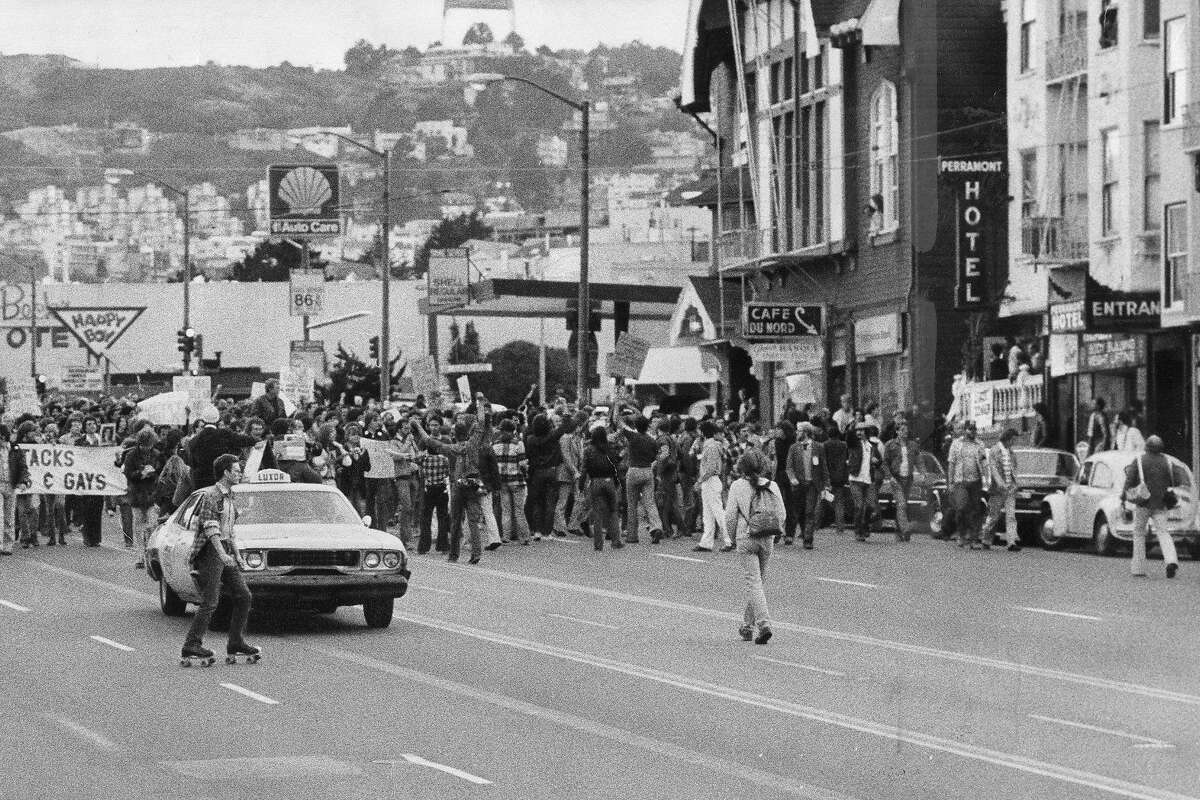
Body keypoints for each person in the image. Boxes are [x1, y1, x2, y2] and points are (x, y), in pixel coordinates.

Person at [181, 454, 258, 665]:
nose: (240, 474)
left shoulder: (231, 496)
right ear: (226, 472)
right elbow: (210, 528)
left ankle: (236, 642)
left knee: (244, 595)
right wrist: (222, 554)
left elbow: (229, 530)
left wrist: (237, 555)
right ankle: (192, 644)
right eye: (236, 470)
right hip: (211, 551)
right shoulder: (211, 495)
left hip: (224, 548)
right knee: (211, 601)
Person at [411, 410, 491, 564]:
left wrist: (417, 425)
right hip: (474, 485)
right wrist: (481, 405)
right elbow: (482, 425)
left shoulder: (454, 448)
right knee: (473, 521)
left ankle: (454, 554)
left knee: (455, 521)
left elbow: (429, 441)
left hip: (458, 486)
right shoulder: (476, 445)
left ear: (456, 434)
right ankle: (476, 553)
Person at [724, 449, 785, 645]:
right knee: (758, 583)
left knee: (754, 583)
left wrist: (732, 538)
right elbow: (781, 513)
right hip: (767, 537)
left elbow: (731, 516)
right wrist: (777, 533)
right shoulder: (772, 486)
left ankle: (764, 624)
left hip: (746, 535)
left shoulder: (737, 486)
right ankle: (747, 626)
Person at [1122, 436, 1181, 579]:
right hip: (1161, 503)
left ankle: (1139, 568)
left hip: (1143, 503)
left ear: (1147, 446)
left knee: (1139, 533)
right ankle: (1171, 561)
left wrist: (1123, 497)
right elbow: (1177, 480)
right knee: (1163, 532)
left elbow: (1129, 481)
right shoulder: (1167, 461)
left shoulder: (1140, 461)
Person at [620, 414, 665, 544]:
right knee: (650, 502)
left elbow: (620, 422)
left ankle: (632, 536)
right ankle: (656, 527)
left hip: (633, 470)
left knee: (632, 504)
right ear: (648, 426)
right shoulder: (652, 440)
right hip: (647, 471)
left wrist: (625, 410)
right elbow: (656, 457)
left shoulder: (632, 436)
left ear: (636, 426)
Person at [785, 422, 828, 549]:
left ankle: (808, 539)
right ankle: (792, 534)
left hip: (812, 484)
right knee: (796, 510)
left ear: (806, 432)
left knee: (810, 511)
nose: (797, 433)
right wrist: (792, 478)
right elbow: (789, 466)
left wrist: (827, 484)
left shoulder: (818, 447)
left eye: (799, 431)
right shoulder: (793, 448)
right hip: (798, 484)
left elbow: (823, 467)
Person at [947, 422, 988, 548]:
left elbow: (984, 462)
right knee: (961, 508)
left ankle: (973, 537)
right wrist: (950, 482)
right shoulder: (956, 444)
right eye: (970, 429)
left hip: (976, 481)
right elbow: (951, 464)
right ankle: (961, 534)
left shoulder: (980, 444)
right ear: (965, 430)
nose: (973, 432)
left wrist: (986, 479)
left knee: (975, 510)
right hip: (960, 481)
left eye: (974, 429)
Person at [981, 428, 1022, 552]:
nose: (1013, 442)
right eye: (1013, 439)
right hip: (998, 490)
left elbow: (1014, 470)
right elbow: (993, 469)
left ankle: (1011, 542)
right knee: (994, 517)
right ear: (1007, 438)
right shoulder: (994, 450)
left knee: (1011, 516)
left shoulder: (1012, 453)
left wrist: (1015, 484)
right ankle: (985, 539)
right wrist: (1000, 483)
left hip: (1010, 490)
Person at [492, 419, 532, 545]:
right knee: (519, 510)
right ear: (513, 430)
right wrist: (526, 471)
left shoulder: (495, 444)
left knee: (506, 510)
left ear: (501, 430)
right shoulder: (518, 444)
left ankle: (506, 536)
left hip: (502, 481)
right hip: (517, 481)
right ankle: (524, 537)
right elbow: (522, 464)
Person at [582, 426, 622, 551]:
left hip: (596, 482)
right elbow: (615, 468)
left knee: (597, 514)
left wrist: (580, 484)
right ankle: (616, 541)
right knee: (613, 512)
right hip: (609, 481)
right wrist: (616, 483)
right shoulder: (610, 449)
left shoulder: (588, 450)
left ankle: (598, 544)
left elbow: (584, 469)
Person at [694, 420, 731, 553]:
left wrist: (699, 481)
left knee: (718, 512)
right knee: (708, 514)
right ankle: (706, 542)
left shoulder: (711, 447)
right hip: (710, 481)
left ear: (703, 432)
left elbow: (710, 469)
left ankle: (729, 540)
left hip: (710, 481)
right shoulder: (711, 445)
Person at [847, 423, 885, 541]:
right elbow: (848, 437)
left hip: (868, 480)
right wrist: (852, 427)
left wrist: (876, 461)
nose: (860, 433)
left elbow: (879, 461)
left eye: (862, 430)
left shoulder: (872, 446)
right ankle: (858, 531)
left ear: (866, 432)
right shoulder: (854, 444)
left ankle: (865, 526)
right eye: (858, 431)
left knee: (870, 506)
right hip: (856, 479)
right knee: (859, 506)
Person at [883, 420, 920, 542]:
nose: (905, 432)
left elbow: (918, 460)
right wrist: (890, 477)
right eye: (902, 430)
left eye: (906, 430)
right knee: (901, 504)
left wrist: (923, 472)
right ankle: (905, 529)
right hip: (896, 478)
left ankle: (898, 531)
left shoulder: (913, 445)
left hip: (908, 478)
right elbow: (885, 463)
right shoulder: (890, 445)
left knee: (902, 505)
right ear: (897, 431)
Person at [0, 425, 31, 555]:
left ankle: (8, 545)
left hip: (11, 485)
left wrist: (23, 481)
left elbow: (23, 467)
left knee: (10, 516)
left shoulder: (15, 450)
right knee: (0, 516)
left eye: (3, 437)